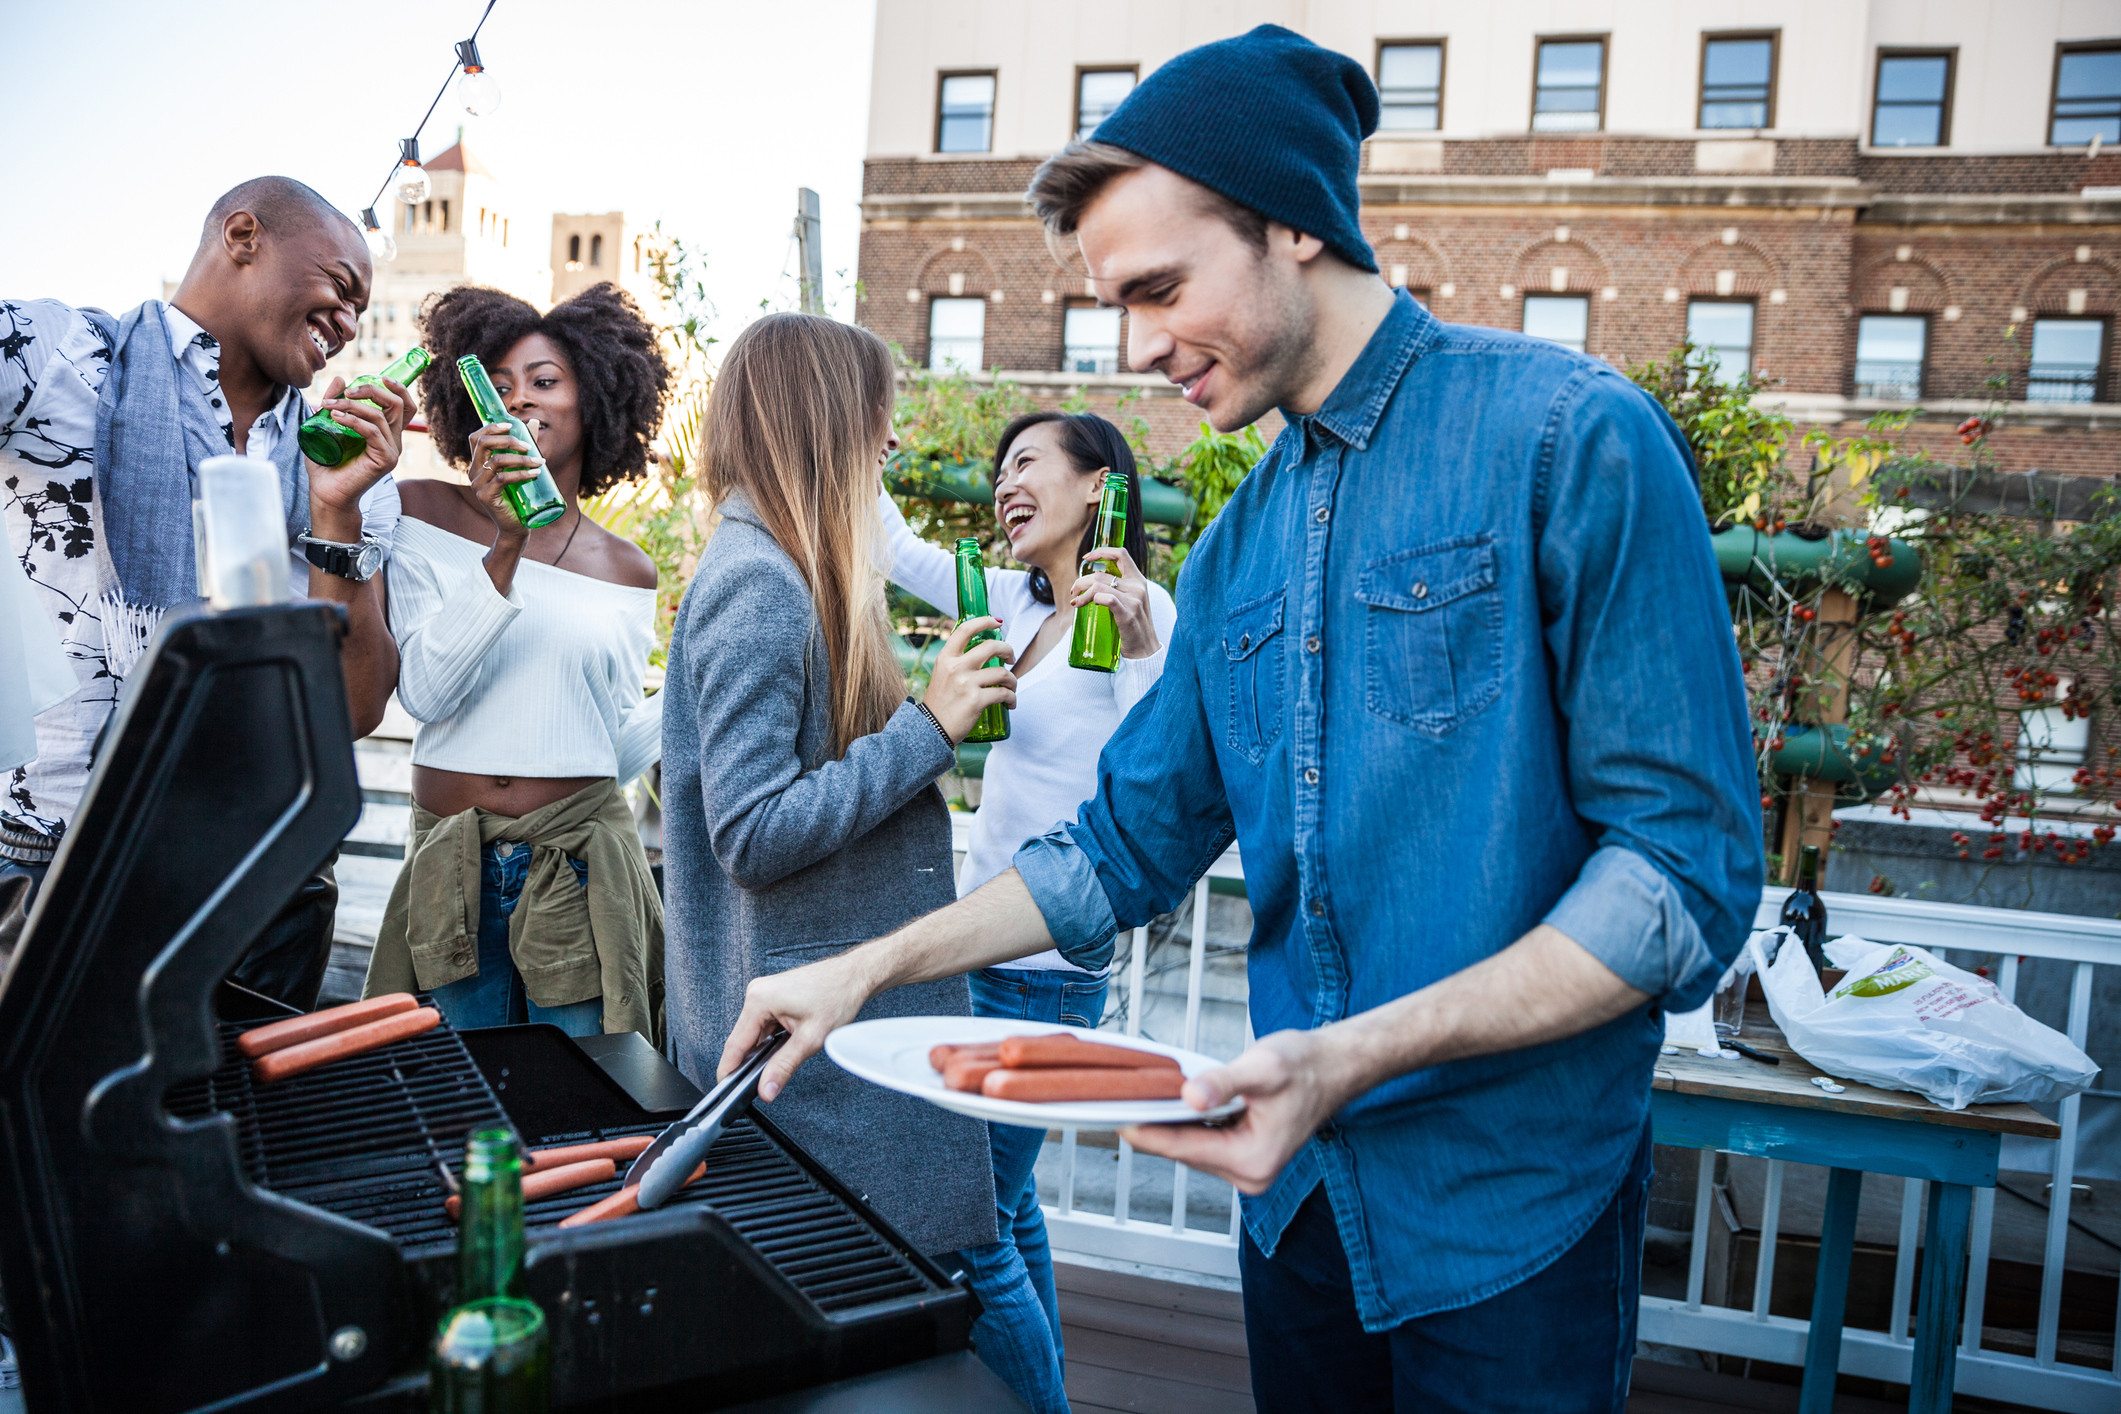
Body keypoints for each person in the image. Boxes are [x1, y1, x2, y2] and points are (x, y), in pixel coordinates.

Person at [716, 27, 1764, 1414]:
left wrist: (1349, 1057)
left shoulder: (1571, 438)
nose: (1141, 348)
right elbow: (1117, 849)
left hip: (1510, 1213)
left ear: (1291, 220)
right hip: (1296, 1214)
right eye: (1120, 306)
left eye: (1160, 289)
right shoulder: (1231, 555)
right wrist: (862, 970)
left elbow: (1681, 877)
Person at [662, 312, 1072, 1413]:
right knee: (969, 1264)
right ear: (825, 421)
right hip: (820, 1036)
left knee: (961, 1256)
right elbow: (751, 832)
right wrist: (927, 728)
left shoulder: (780, 567)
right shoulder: (761, 583)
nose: (889, 444)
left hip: (834, 1027)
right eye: (877, 420)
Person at [0, 176, 407, 1009]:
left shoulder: (349, 470)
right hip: (47, 858)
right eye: (340, 286)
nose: (347, 321)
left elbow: (353, 709)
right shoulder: (56, 358)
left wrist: (335, 512)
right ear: (243, 236)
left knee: (241, 1099)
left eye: (360, 310)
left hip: (259, 877)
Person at [876, 410, 1174, 1372]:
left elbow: (1157, 777)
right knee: (1008, 1210)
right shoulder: (1010, 599)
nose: (1005, 483)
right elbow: (894, 548)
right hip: (985, 937)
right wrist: (862, 445)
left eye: (1027, 463)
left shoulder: (1142, 611)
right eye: (999, 469)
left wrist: (1139, 648)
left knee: (968, 1230)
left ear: (1097, 486)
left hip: (1047, 962)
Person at [362, 283, 670, 1043]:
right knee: (456, 1090)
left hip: (579, 872)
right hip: (452, 868)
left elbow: (611, 745)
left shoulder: (627, 568)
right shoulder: (420, 511)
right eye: (497, 386)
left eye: (544, 380)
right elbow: (427, 692)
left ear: (593, 400)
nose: (519, 399)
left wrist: (694, 685)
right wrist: (507, 543)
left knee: (576, 1091)